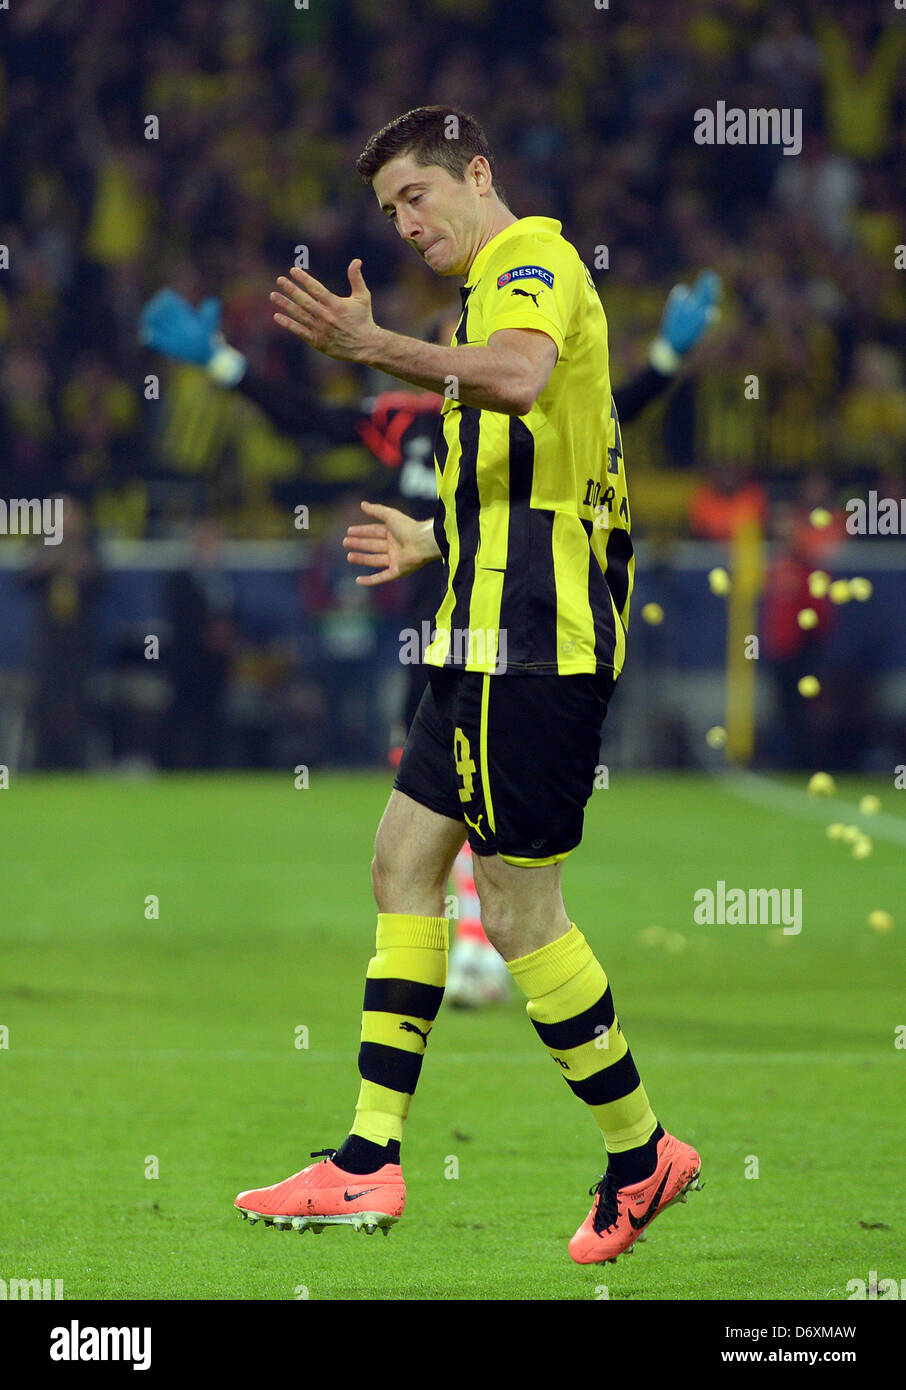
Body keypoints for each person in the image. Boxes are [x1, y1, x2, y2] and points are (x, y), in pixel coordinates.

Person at [232, 106, 701, 1265]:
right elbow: (546, 479)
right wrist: (432, 544)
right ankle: (367, 1162)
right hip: (477, 638)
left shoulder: (531, 260)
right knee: (401, 858)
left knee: (521, 904)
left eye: (415, 197)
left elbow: (525, 376)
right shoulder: (481, 300)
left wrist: (376, 347)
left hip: (535, 652)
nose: (404, 224)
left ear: (476, 172)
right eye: (389, 210)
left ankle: (642, 1155)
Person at [140, 261, 720, 1006]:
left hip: (511, 628)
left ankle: (482, 948)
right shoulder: (406, 422)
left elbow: (613, 410)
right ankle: (458, 949)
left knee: (488, 799)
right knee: (425, 802)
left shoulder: (528, 419)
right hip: (429, 636)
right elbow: (305, 418)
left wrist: (667, 360)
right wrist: (220, 361)